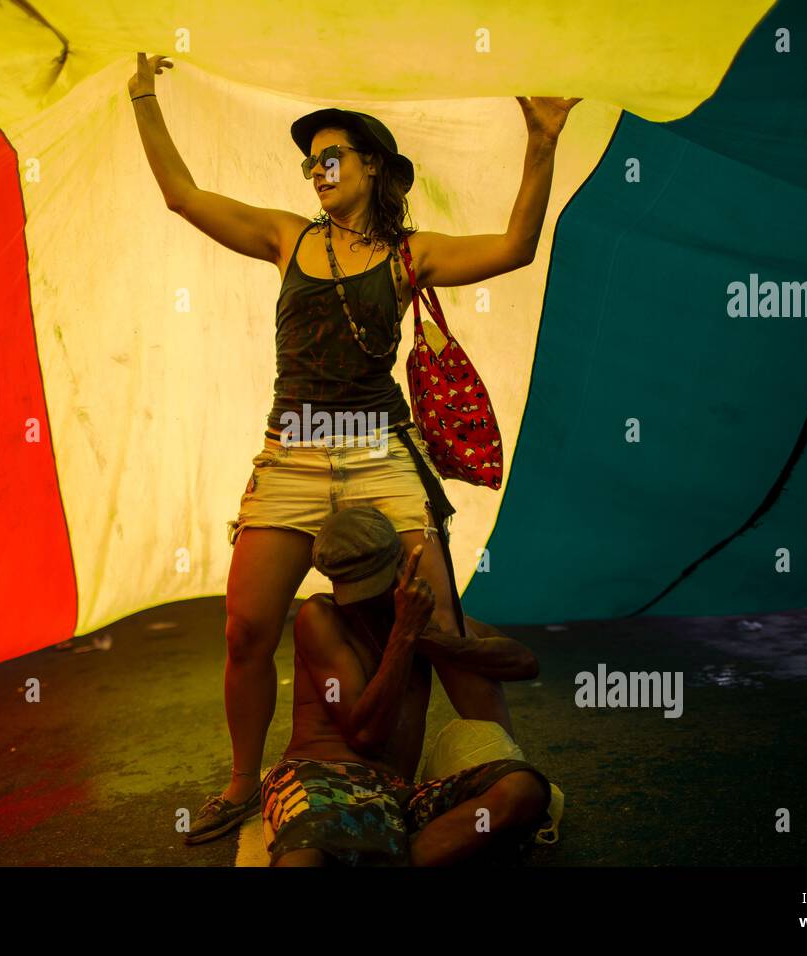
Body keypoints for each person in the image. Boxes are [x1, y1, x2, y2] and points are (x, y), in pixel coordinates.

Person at [126, 53, 580, 844]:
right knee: (244, 629)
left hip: (380, 453)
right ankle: (241, 781)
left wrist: (540, 142)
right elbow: (181, 196)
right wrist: (143, 95)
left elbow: (516, 246)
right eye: (309, 161)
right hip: (294, 453)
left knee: (443, 625)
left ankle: (513, 774)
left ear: (372, 166)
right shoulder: (284, 237)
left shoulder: (411, 255)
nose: (316, 170)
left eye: (331, 156)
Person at [264, 506, 549, 866]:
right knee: (305, 853)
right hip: (319, 777)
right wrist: (405, 636)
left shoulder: (422, 616)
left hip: (397, 793)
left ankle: (392, 857)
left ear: (402, 564)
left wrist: (436, 641)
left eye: (371, 587)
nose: (362, 601)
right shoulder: (320, 616)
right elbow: (366, 736)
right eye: (352, 589)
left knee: (523, 790)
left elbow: (525, 663)